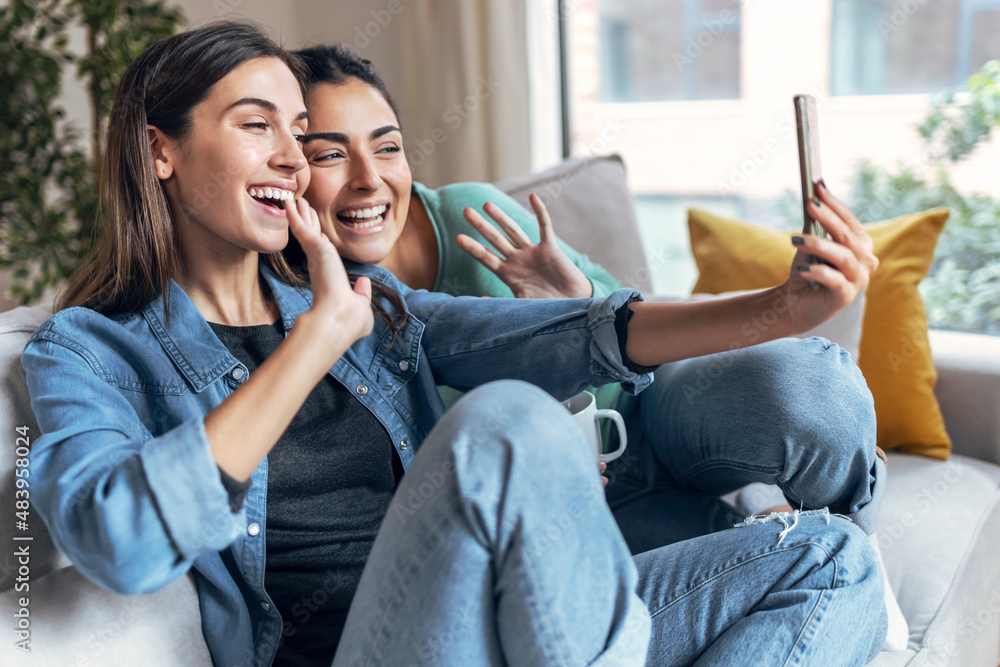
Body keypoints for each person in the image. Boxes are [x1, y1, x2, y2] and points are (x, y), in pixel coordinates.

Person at [22, 21, 886, 667]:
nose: (291, 156)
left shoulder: (373, 302)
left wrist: (783, 308)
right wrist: (314, 340)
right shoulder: (89, 349)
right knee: (508, 424)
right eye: (260, 126)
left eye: (296, 132)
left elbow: (576, 334)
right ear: (158, 150)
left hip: (513, 629)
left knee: (834, 558)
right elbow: (121, 539)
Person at [292, 44, 884, 553]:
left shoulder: (471, 215)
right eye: (329, 154)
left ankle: (854, 531)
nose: (369, 178)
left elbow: (635, 317)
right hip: (578, 508)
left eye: (387, 146)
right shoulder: (317, 317)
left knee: (814, 390)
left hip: (650, 410)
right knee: (775, 562)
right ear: (288, 170)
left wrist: (578, 296)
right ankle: (791, 528)